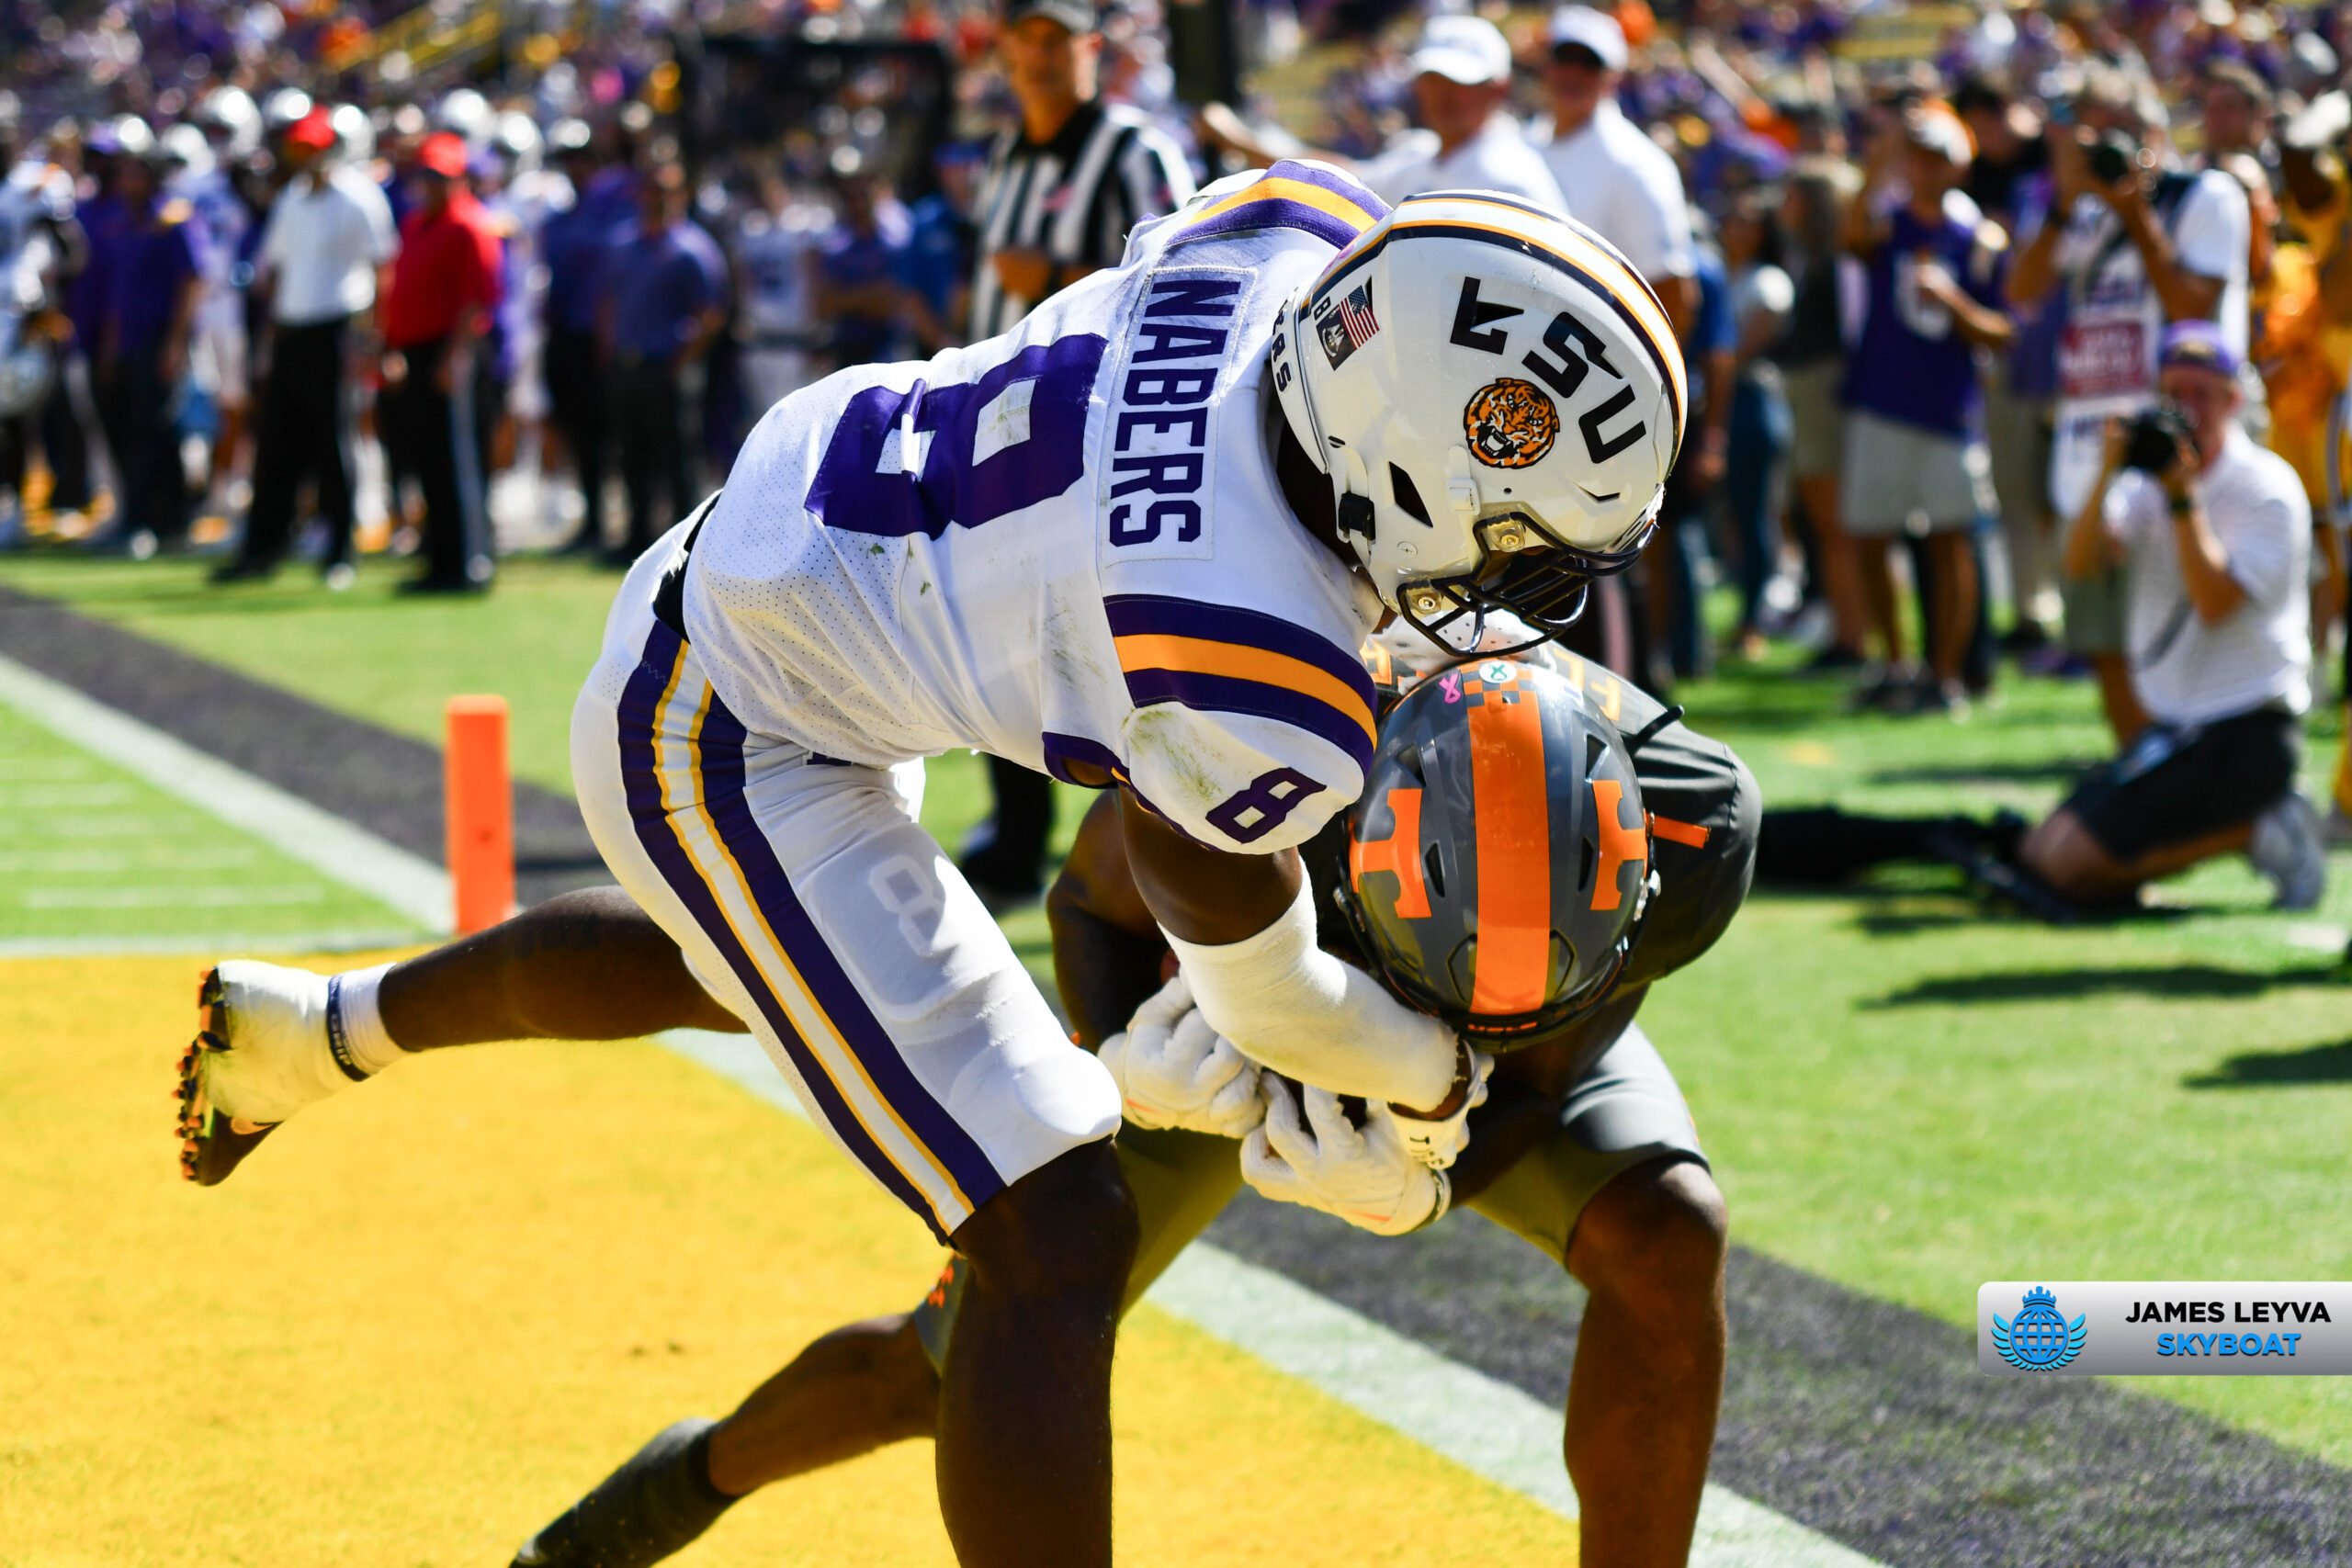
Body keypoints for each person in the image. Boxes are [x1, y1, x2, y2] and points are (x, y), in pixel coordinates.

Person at [177, 165, 1686, 1568]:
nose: (1516, 597)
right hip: (735, 725)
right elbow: (1270, 983)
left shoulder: (1289, 241)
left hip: (807, 564)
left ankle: (316, 1034)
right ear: (1410, 476)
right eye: (1517, 547)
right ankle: (321, 1039)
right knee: (1054, 1220)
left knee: (757, 971)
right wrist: (1427, 1098)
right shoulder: (1251, 666)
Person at [177, 633, 1753, 1568]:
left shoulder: (1689, 825)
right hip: (1221, 1004)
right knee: (966, 1341)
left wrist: (1432, 1132)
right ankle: (692, 1474)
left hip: (1479, 1058)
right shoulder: (1262, 749)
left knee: (1667, 1231)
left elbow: (1540, 1055)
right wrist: (1120, 1075)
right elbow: (1094, 909)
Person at [1760, 323, 2324, 914]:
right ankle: (2220, 839)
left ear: (2234, 400)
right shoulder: (2147, 481)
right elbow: (2080, 564)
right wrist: (2110, 469)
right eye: (2174, 392)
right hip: (2176, 728)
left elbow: (2214, 605)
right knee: (2040, 851)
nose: (2187, 409)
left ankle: (2265, 828)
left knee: (2066, 868)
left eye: (2202, 393)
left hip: (2247, 729)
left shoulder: (2266, 489)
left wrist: (2184, 498)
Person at [960, 0, 1196, 908]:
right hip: (999, 434)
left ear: (1093, 49)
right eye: (1023, 42)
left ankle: (1157, 848)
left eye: (1056, 41)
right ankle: (1018, 839)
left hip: (1096, 440)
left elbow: (1173, 282)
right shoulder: (1005, 153)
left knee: (1112, 645)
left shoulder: (1136, 152)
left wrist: (1054, 282)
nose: (1039, 59)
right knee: (1000, 631)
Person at [2006, 69, 2250, 746]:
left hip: (2179, 446)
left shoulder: (2203, 196)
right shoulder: (2072, 209)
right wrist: (2065, 199)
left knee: (2187, 632)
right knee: (2103, 634)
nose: (2103, 151)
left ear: (2154, 135)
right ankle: (2137, 770)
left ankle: (2193, 772)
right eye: (2090, 136)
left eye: (2116, 133)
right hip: (2088, 445)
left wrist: (2135, 209)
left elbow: (2191, 308)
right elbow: (2023, 290)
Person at [1838, 103, 2012, 716]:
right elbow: (1852, 234)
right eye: (1916, 155)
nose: (1924, 167)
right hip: (1881, 400)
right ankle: (1897, 662)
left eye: (1936, 156)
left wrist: (1955, 303)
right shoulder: (1889, 226)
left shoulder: (1979, 240)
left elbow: (2002, 332)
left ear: (1959, 164)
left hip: (1946, 409)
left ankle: (1944, 674)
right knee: (1869, 536)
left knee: (1950, 541)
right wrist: (1878, 159)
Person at [212, 107, 396, 585]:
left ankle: (339, 550)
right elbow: (275, 270)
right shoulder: (292, 198)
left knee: (333, 444)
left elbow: (383, 269)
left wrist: (373, 336)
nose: (303, 156)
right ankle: (263, 549)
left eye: (310, 148)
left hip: (335, 330)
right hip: (293, 331)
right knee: (276, 445)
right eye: (298, 148)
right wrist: (270, 340)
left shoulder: (359, 197)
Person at [1200, 15, 1567, 215]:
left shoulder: (1514, 182)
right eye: (1434, 79)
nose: (1445, 94)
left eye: (1462, 81)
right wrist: (1239, 140)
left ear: (1497, 89)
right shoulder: (1423, 154)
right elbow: (1341, 176)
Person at [375, 130, 502, 593]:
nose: (430, 183)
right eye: (426, 174)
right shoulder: (416, 222)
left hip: (453, 351)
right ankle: (440, 560)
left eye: (439, 176)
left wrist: (455, 358)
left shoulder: (470, 224)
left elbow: (477, 300)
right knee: (430, 460)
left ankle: (470, 562)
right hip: (419, 353)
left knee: (459, 460)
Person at [597, 158, 727, 566]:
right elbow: (611, 302)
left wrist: (680, 361)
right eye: (650, 190)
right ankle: (635, 537)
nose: (655, 199)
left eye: (664, 191)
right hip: (628, 364)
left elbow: (711, 314)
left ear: (679, 196)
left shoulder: (692, 249)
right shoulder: (624, 244)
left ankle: (687, 544)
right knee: (632, 454)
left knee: (676, 457)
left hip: (666, 366)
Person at [1537, 6, 1696, 333]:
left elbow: (1673, 293)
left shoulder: (1638, 163)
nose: (1573, 73)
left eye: (1589, 63)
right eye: (1563, 58)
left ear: (1614, 75)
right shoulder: (1527, 140)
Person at [96, 123, 202, 556]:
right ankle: (142, 516)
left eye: (137, 173)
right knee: (128, 427)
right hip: (127, 339)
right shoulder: (124, 223)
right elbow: (119, 292)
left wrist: (176, 345)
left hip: (159, 338)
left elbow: (191, 283)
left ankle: (155, 521)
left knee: (153, 429)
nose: (127, 182)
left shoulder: (172, 219)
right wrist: (109, 344)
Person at [538, 119, 624, 552]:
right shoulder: (559, 217)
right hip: (568, 332)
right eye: (568, 159)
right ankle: (592, 519)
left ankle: (625, 522)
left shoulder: (616, 206)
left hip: (606, 336)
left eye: (581, 158)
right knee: (579, 431)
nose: (575, 167)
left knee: (613, 432)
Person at [730, 167, 826, 418]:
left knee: (796, 414)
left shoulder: (804, 226)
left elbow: (815, 275)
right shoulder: (750, 228)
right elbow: (742, 279)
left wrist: (817, 322)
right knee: (761, 416)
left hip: (794, 333)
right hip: (760, 333)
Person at [814, 168, 910, 371]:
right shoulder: (835, 248)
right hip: (850, 351)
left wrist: (850, 298)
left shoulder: (896, 242)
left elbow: (895, 301)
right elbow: (823, 306)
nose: (858, 203)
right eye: (851, 196)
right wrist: (869, 296)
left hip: (892, 348)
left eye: (863, 195)